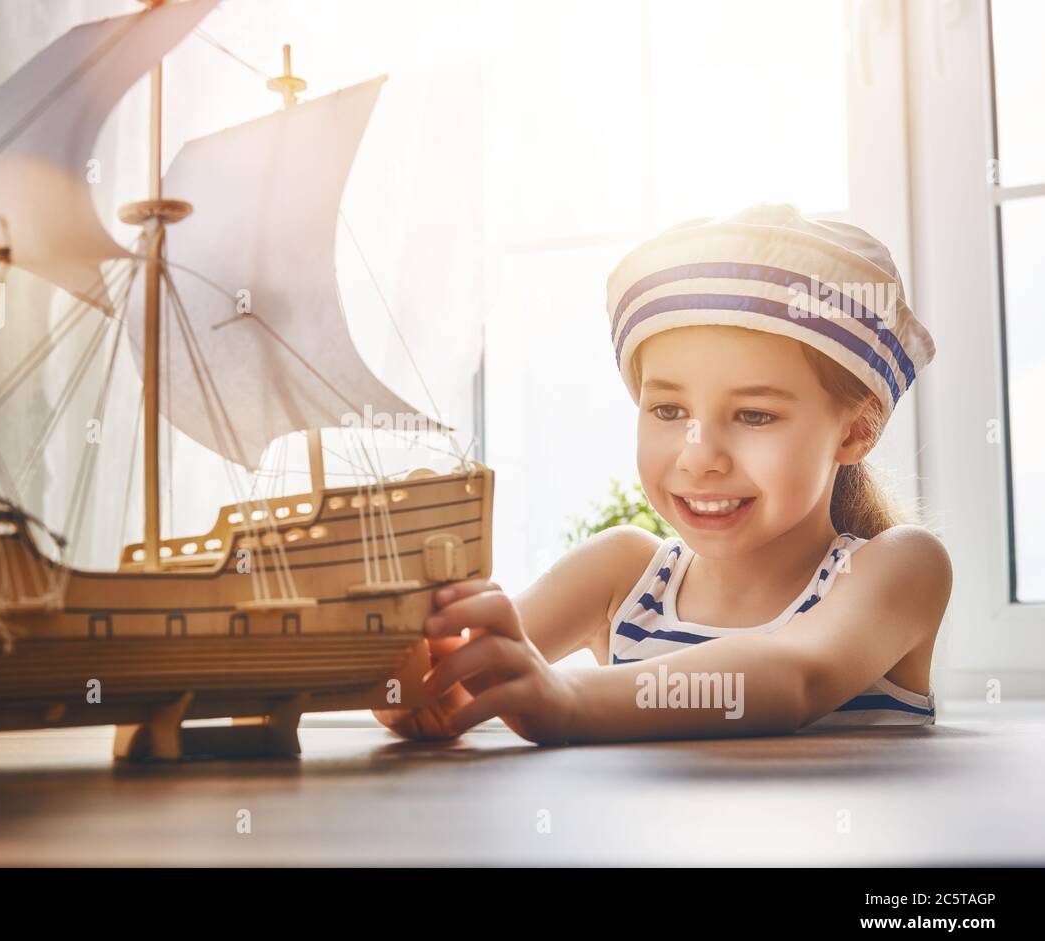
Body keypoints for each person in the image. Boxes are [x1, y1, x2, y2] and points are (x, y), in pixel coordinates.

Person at [374, 203, 951, 744]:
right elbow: (446, 688)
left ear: (856, 431)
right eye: (669, 411)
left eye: (754, 415)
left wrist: (566, 700)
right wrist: (412, 672)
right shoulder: (619, 572)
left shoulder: (901, 568)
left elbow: (795, 673)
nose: (699, 456)